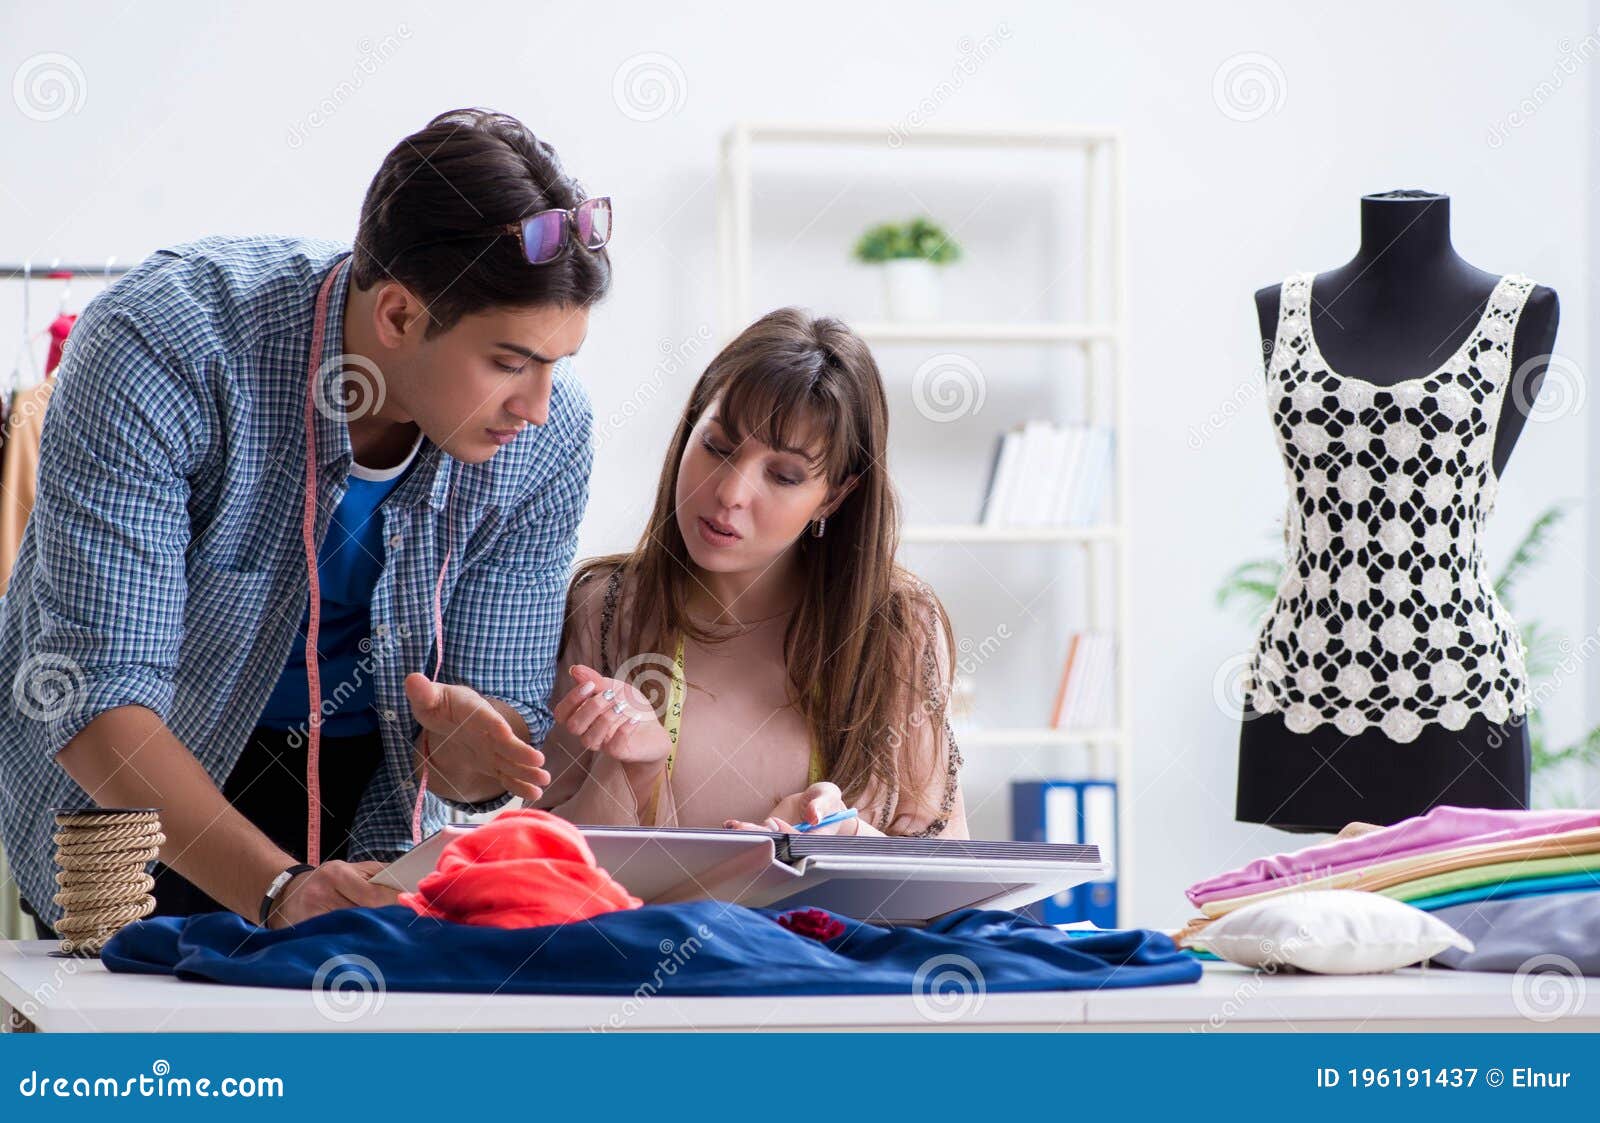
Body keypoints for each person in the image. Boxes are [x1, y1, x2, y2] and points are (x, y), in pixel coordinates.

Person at [0, 107, 609, 935]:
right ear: (397, 315)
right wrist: (282, 888)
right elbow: (97, 698)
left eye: (556, 364)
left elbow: (491, 737)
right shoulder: (168, 343)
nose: (536, 407)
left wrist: (469, 760)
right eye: (509, 362)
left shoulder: (549, 436)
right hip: (146, 799)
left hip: (378, 812)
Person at [538, 308, 967, 837]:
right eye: (717, 447)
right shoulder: (607, 609)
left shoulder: (896, 627)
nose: (730, 494)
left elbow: (943, 876)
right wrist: (631, 773)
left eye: (784, 476)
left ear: (834, 496)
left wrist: (848, 843)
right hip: (653, 924)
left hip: (835, 925)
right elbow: (543, 867)